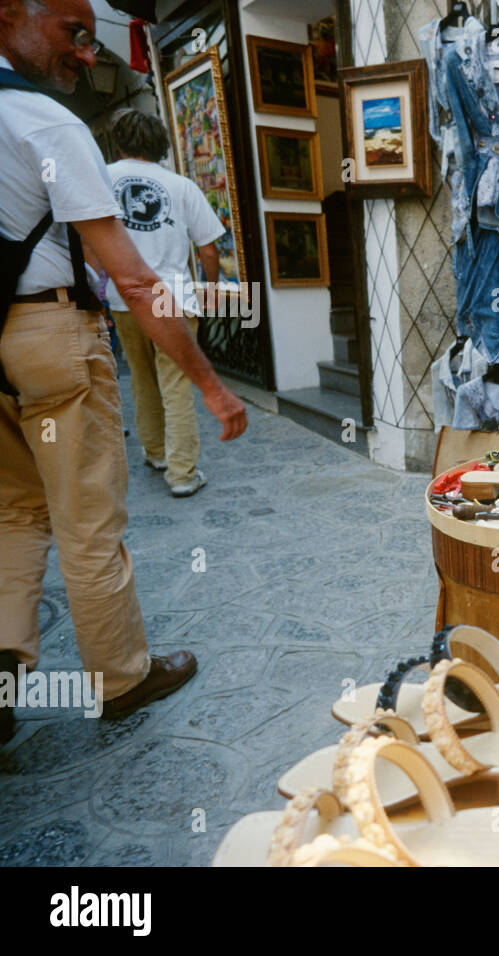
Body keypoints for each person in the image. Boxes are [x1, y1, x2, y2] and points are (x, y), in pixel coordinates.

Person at [0, 0, 247, 743]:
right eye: (73, 31)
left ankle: (3, 679)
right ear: (12, 10)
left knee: (14, 511)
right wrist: (212, 382)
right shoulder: (43, 122)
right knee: (86, 519)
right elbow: (137, 283)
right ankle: (122, 675)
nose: (86, 51)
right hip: (50, 330)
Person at [105, 108, 225, 498]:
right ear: (160, 144)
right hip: (172, 296)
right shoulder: (180, 185)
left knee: (141, 379)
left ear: (119, 142)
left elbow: (88, 243)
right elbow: (208, 249)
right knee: (176, 385)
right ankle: (182, 473)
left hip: (124, 299)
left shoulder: (102, 178)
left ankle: (155, 452)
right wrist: (209, 287)